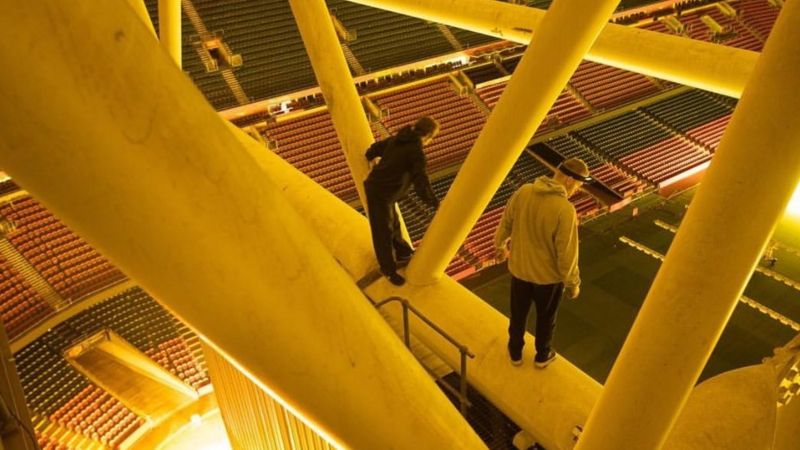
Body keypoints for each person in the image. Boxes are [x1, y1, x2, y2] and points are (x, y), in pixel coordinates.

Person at [493, 158, 591, 368]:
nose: (578, 188)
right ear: (567, 179)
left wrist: (500, 245)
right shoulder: (565, 210)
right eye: (578, 184)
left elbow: (506, 221)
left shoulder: (524, 191)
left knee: (517, 315)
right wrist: (573, 283)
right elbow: (567, 254)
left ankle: (515, 351)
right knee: (546, 319)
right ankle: (542, 355)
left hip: (519, 271)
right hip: (547, 279)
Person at [364, 117, 441, 286]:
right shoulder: (416, 153)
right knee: (383, 231)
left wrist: (372, 159)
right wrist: (435, 203)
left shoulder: (398, 139)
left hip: (382, 190)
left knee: (394, 223)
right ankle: (388, 270)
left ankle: (403, 252)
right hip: (380, 192)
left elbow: (373, 150)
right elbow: (420, 181)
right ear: (428, 136)